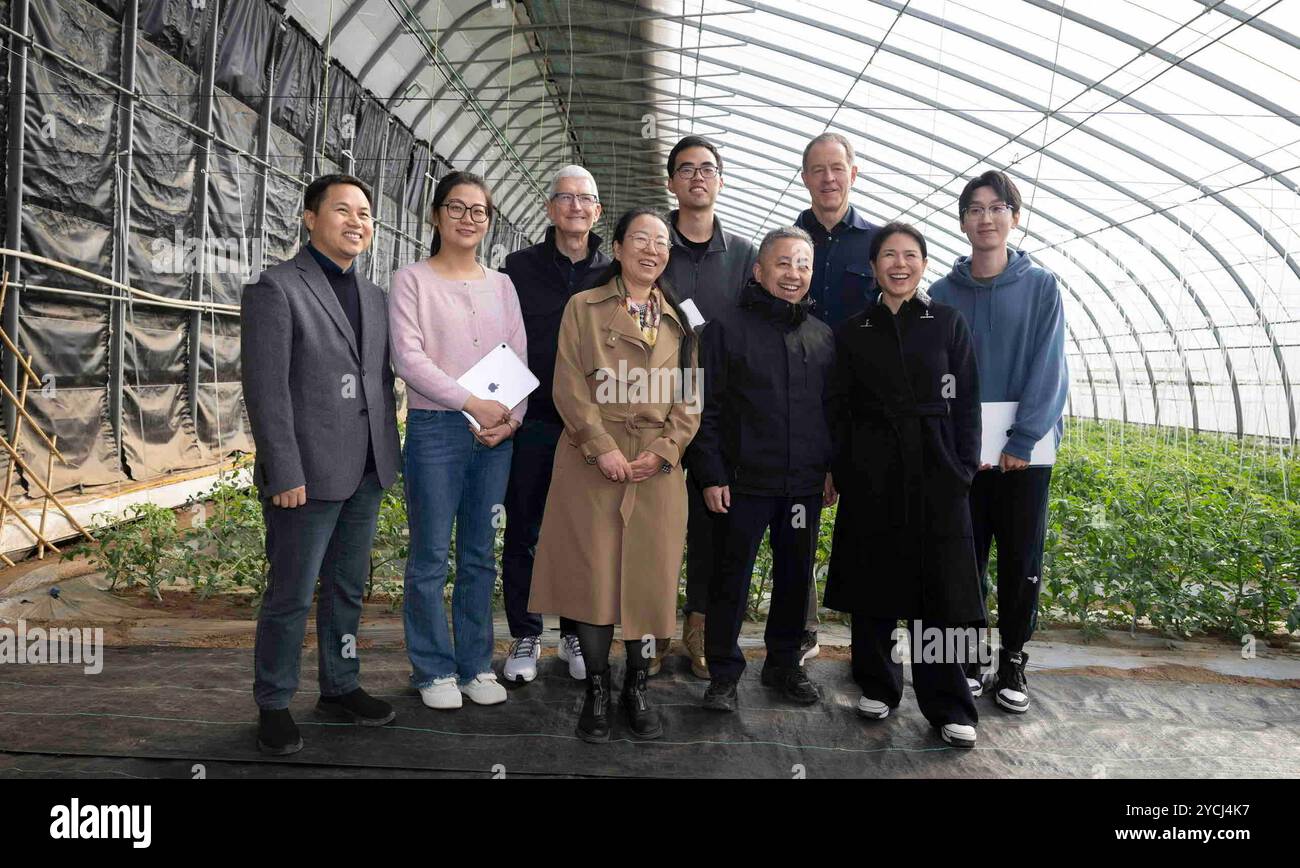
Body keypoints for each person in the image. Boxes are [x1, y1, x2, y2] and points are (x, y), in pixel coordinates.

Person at [241, 173, 403, 755]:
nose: (357, 221)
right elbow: (266, 389)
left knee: (347, 587)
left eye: (365, 213)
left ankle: (340, 684)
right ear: (310, 219)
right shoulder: (277, 288)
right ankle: (275, 701)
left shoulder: (377, 297)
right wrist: (284, 471)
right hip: (305, 476)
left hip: (365, 468)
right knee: (291, 591)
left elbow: (379, 381)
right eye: (343, 210)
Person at [528, 208, 701, 742]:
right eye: (641, 240)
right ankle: (598, 688)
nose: (652, 250)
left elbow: (692, 396)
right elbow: (567, 385)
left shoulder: (685, 318)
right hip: (592, 465)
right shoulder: (583, 307)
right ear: (619, 248)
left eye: (662, 243)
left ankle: (638, 686)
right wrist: (598, 445)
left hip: (656, 470)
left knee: (650, 584)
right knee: (595, 581)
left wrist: (667, 448)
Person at [824, 222, 984, 749]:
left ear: (923, 264)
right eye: (888, 255)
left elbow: (966, 403)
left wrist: (962, 466)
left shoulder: (947, 322)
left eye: (910, 255)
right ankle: (878, 683)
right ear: (872, 267)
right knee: (875, 578)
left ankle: (949, 702)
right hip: (872, 469)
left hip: (937, 468)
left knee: (941, 587)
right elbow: (839, 408)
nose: (899, 264)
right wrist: (844, 468)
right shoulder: (853, 330)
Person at [927, 170, 1068, 714]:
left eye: (996, 207)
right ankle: (965, 657)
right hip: (964, 456)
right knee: (962, 555)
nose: (986, 218)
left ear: (1014, 216)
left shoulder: (1041, 286)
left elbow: (1048, 367)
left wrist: (1024, 437)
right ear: (962, 221)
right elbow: (937, 377)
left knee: (1020, 555)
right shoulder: (941, 294)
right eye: (974, 209)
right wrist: (953, 443)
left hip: (1024, 455)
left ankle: (1012, 658)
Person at [388, 171, 527, 711]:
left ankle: (474, 665)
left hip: (496, 436)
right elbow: (409, 358)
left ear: (489, 221)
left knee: (478, 555)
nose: (468, 219)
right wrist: (473, 404)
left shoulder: (502, 285)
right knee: (428, 557)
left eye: (478, 211)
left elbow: (517, 355)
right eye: (457, 208)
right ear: (436, 216)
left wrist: (509, 419)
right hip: (436, 430)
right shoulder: (412, 281)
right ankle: (433, 669)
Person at [691, 226, 837, 712]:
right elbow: (703, 409)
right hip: (742, 484)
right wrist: (711, 473)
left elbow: (831, 412)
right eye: (782, 263)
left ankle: (783, 666)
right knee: (729, 578)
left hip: (801, 487)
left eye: (803, 265)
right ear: (759, 271)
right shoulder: (726, 330)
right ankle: (724, 674)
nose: (793, 274)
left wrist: (830, 469)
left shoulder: (821, 337)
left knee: (795, 577)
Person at [499, 166, 610, 685]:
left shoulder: (611, 273)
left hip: (588, 427)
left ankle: (572, 633)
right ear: (549, 208)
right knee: (524, 530)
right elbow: (499, 341)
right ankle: (524, 632)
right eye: (564, 198)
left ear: (597, 211)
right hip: (534, 421)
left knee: (579, 533)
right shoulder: (517, 268)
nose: (574, 207)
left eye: (584, 199)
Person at [661, 134, 758, 679]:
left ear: (720, 180)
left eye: (708, 169)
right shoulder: (651, 245)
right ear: (672, 181)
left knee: (710, 524)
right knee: (651, 522)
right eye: (687, 169)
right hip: (652, 405)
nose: (698, 177)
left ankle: (700, 628)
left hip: (716, 412)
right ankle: (648, 627)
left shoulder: (744, 256)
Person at [792, 131, 882, 662]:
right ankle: (802, 632)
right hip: (798, 401)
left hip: (858, 404)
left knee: (867, 519)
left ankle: (869, 644)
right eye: (816, 169)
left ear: (854, 172)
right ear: (804, 178)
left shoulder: (875, 244)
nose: (828, 178)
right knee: (798, 519)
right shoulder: (785, 239)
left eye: (836, 168)